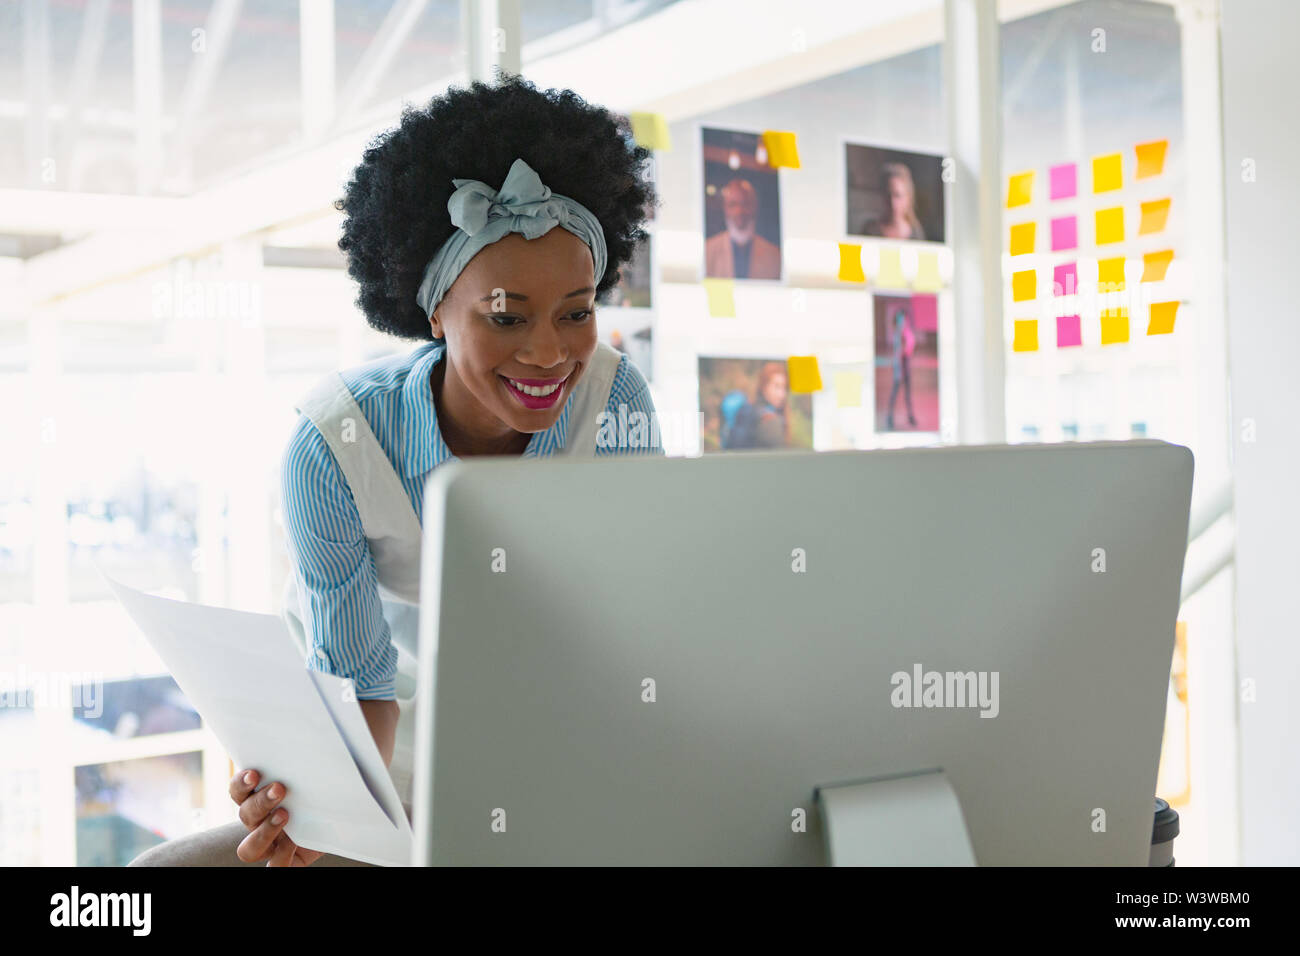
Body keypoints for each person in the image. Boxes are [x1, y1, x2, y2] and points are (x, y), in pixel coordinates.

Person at [129, 73, 663, 867]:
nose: (550, 353)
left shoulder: (614, 404)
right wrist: (322, 809)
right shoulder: (335, 448)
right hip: (385, 763)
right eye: (506, 316)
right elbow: (359, 686)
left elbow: (626, 635)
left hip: (548, 748)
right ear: (432, 308)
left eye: (577, 312)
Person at [704, 178, 781, 279]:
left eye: (745, 204)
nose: (739, 211)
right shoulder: (707, 251)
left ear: (754, 206)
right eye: (733, 204)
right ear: (725, 208)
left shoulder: (775, 256)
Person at [723, 362, 789, 449]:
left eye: (784, 387)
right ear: (764, 386)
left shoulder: (751, 409)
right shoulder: (766, 418)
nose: (782, 394)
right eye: (776, 386)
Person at [860, 162, 926, 241]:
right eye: (888, 195)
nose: (892, 203)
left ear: (908, 197)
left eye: (897, 195)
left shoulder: (916, 234)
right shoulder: (870, 231)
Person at [885, 307, 918, 430]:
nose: (903, 321)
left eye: (904, 319)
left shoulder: (906, 332)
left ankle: (910, 416)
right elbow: (900, 351)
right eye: (901, 319)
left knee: (907, 394)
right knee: (895, 393)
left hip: (905, 364)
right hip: (900, 366)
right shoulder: (898, 334)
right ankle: (889, 417)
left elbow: (909, 347)